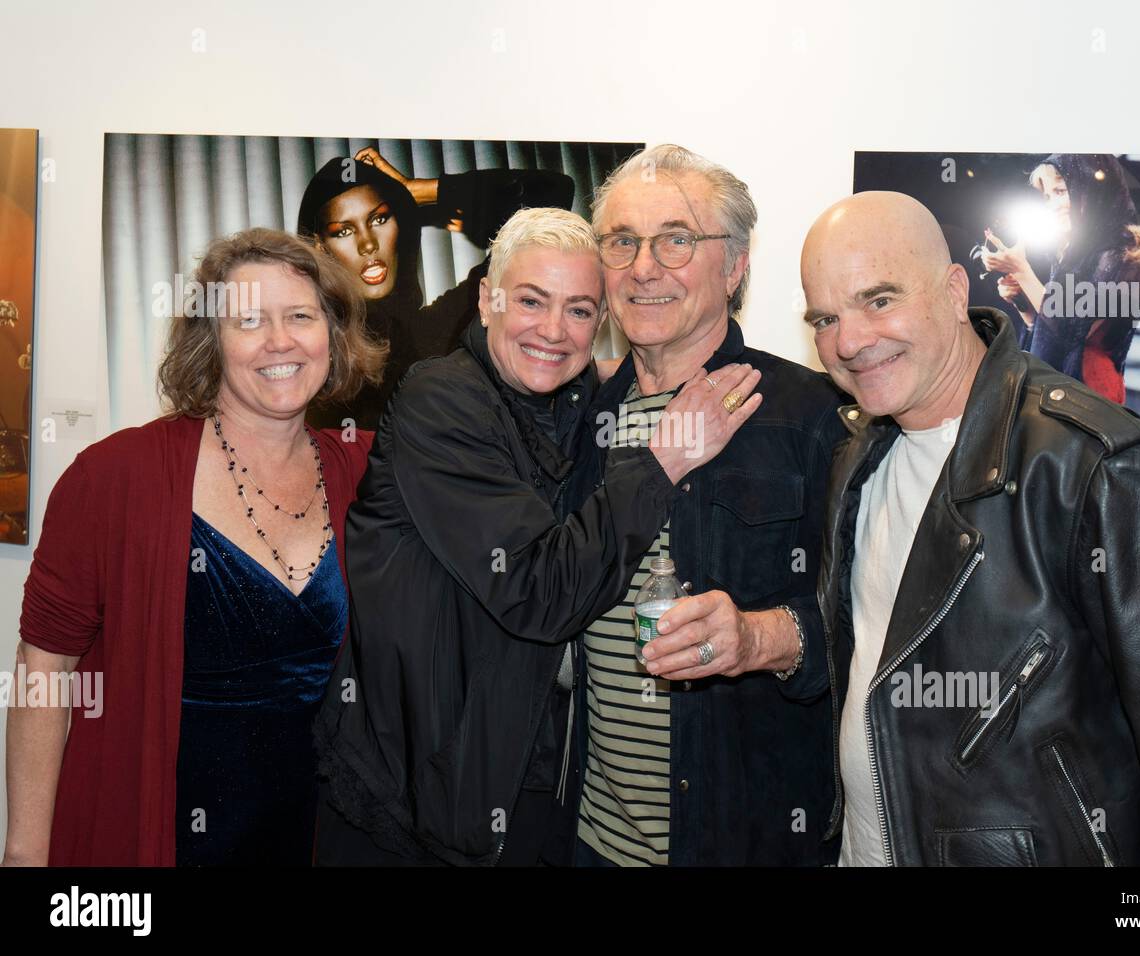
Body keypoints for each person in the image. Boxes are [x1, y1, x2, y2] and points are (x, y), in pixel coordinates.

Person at [802, 190, 1140, 866]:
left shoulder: (1106, 472)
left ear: (953, 292)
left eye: (879, 301)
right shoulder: (859, 457)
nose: (848, 341)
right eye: (825, 317)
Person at [313, 207, 761, 866]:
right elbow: (541, 588)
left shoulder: (567, 402)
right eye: (531, 301)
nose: (554, 330)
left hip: (518, 787)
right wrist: (662, 463)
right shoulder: (442, 400)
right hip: (405, 801)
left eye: (580, 311)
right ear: (488, 300)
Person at [3, 229, 383, 866]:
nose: (279, 341)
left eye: (300, 316)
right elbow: (45, 675)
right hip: (153, 832)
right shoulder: (114, 478)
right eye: (249, 320)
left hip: (318, 834)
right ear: (211, 342)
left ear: (332, 335)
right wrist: (24, 855)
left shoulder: (370, 471)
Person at [566, 145, 847, 867]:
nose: (644, 266)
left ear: (736, 265)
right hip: (589, 841)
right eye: (622, 241)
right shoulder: (573, 420)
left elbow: (873, 628)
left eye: (677, 239)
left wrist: (759, 638)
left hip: (743, 843)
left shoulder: (811, 416)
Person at [297, 149, 574, 429]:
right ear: (321, 247)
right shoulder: (310, 357)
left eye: (379, 219)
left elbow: (551, 195)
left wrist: (412, 191)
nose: (367, 244)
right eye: (344, 231)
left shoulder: (438, 329)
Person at [981, 153, 1140, 404]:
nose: (1050, 204)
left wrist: (1023, 271)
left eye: (1060, 191)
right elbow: (1046, 333)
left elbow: (1070, 331)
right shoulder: (1074, 255)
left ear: (1090, 192)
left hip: (1090, 398)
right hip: (1060, 395)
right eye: (1047, 196)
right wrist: (1022, 302)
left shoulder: (1123, 257)